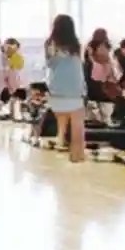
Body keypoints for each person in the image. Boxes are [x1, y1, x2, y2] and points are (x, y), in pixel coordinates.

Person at [46, 15, 86, 162]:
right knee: (77, 124)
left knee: (62, 121)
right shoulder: (76, 45)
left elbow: (50, 65)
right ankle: (77, 155)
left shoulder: (50, 45)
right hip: (75, 90)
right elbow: (79, 67)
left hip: (57, 90)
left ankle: (61, 142)